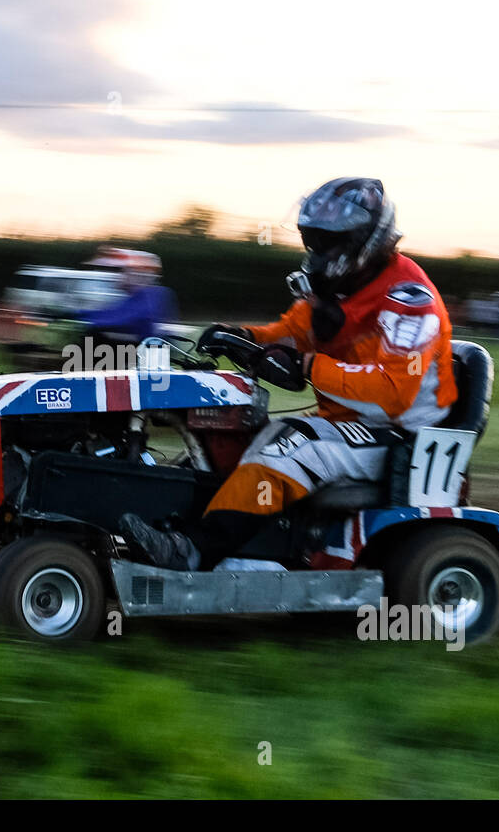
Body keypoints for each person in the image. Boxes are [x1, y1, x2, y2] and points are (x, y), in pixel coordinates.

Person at [119, 177, 457, 572]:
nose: (316, 253)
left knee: (292, 445)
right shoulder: (341, 288)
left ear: (360, 242)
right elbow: (291, 334)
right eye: (312, 241)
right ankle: (202, 532)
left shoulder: (410, 300)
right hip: (351, 421)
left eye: (326, 243)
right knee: (234, 432)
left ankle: (193, 550)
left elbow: (394, 391)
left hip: (402, 434)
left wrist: (309, 367)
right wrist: (243, 337)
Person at [71, 247, 177, 344]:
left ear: (139, 275)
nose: (119, 276)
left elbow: (128, 319)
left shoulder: (150, 295)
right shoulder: (136, 296)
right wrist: (74, 314)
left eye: (124, 272)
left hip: (142, 352)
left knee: (91, 337)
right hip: (133, 346)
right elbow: (110, 313)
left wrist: (91, 324)